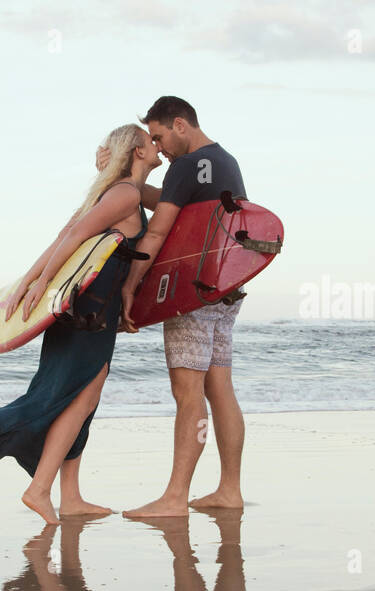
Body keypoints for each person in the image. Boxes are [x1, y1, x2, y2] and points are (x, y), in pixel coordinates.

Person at [0, 124, 162, 524]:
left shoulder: (118, 191)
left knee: (80, 395)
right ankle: (39, 488)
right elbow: (73, 237)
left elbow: (65, 235)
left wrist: (32, 281)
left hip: (87, 309)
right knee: (78, 396)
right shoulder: (125, 194)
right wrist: (38, 283)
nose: (157, 146)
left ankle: (71, 496)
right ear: (137, 151)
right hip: (88, 310)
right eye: (150, 141)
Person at [118, 96, 248, 517]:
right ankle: (229, 490)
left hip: (192, 291)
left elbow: (157, 233)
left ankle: (175, 498)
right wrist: (135, 185)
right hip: (227, 286)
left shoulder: (185, 166)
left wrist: (131, 288)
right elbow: (176, 203)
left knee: (187, 392)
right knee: (219, 389)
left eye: (159, 136)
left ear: (180, 124)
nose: (160, 146)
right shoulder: (224, 161)